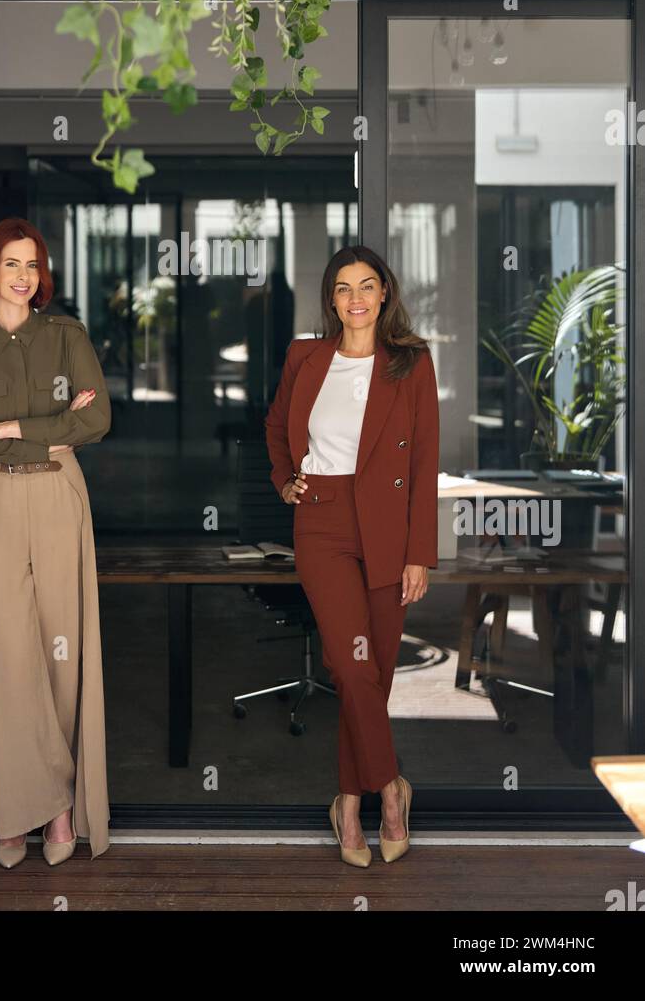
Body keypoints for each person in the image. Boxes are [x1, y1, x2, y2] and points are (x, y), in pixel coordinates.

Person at [0, 217, 111, 868]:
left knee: (62, 658)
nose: (23, 276)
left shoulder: (67, 337)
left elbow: (95, 419)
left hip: (61, 497)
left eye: (32, 264)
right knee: (7, 659)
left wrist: (6, 426)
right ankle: (16, 812)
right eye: (11, 264)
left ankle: (60, 805)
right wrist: (42, 432)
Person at [264, 245, 439, 866]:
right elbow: (277, 423)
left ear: (384, 293)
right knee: (352, 663)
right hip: (325, 523)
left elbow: (423, 462)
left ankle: (346, 800)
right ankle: (391, 790)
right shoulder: (305, 358)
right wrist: (287, 480)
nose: (356, 298)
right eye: (343, 288)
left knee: (375, 673)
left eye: (367, 286)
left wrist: (420, 553)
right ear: (331, 299)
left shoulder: (411, 364)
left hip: (389, 529)